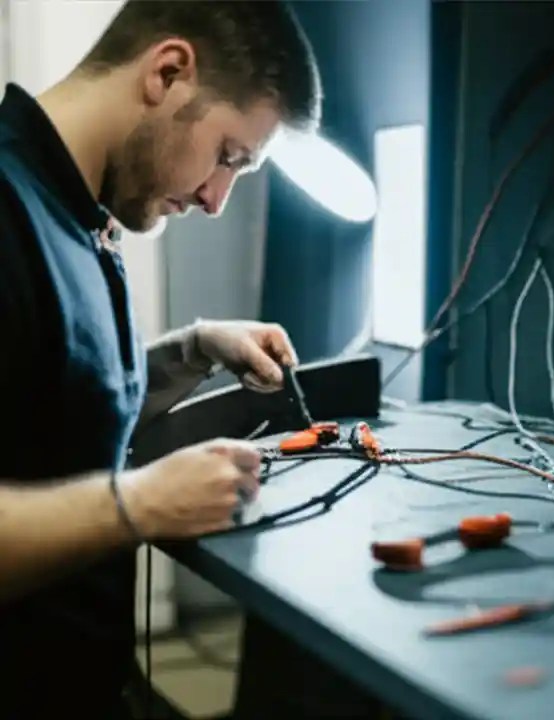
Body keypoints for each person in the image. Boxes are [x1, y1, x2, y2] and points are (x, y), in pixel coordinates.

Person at [0, 2, 322, 716]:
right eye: (229, 157)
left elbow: (46, 414)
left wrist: (188, 353)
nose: (216, 199)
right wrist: (140, 502)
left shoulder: (75, 211)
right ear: (168, 71)